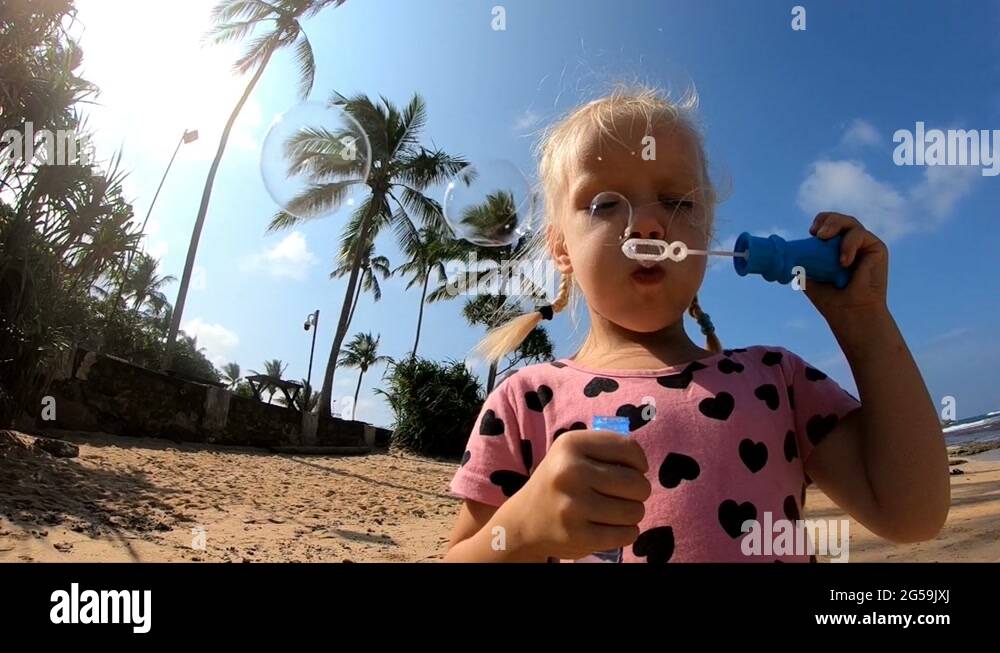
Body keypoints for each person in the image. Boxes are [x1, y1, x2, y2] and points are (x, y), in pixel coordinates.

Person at [443, 85, 949, 562]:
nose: (646, 223)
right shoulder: (526, 399)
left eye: (678, 201)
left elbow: (912, 514)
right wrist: (522, 530)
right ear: (560, 249)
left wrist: (865, 327)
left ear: (705, 234)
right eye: (605, 203)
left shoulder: (777, 379)